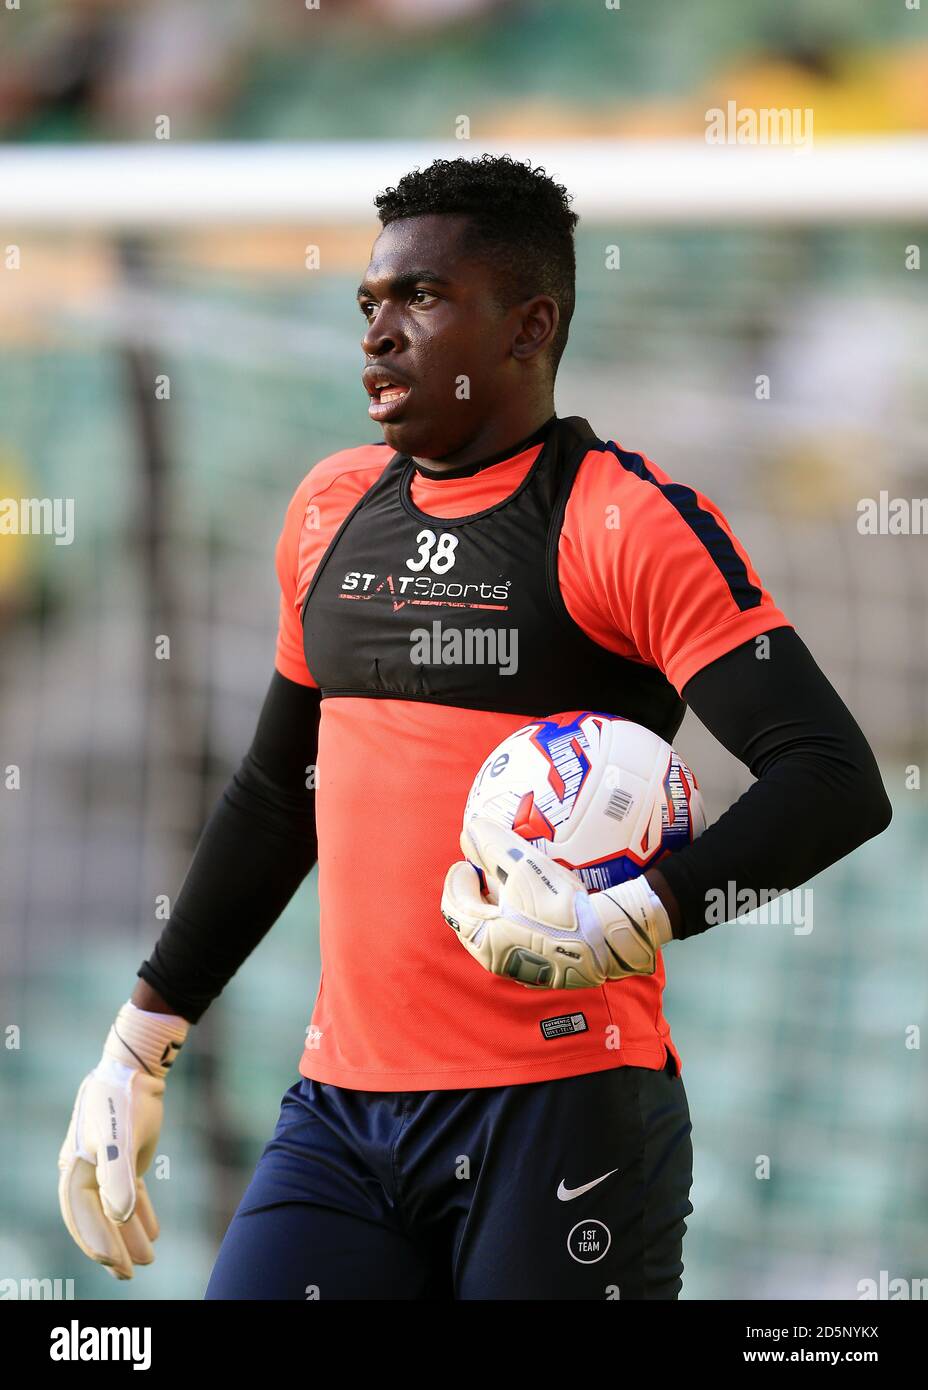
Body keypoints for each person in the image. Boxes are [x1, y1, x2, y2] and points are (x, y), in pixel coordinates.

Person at [58, 154, 892, 1300]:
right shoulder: (329, 509)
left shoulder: (625, 523)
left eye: (422, 298)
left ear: (528, 324)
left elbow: (836, 779)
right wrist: (141, 1035)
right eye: (369, 304)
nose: (379, 333)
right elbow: (274, 791)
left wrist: (644, 913)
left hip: (562, 1112)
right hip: (341, 1114)